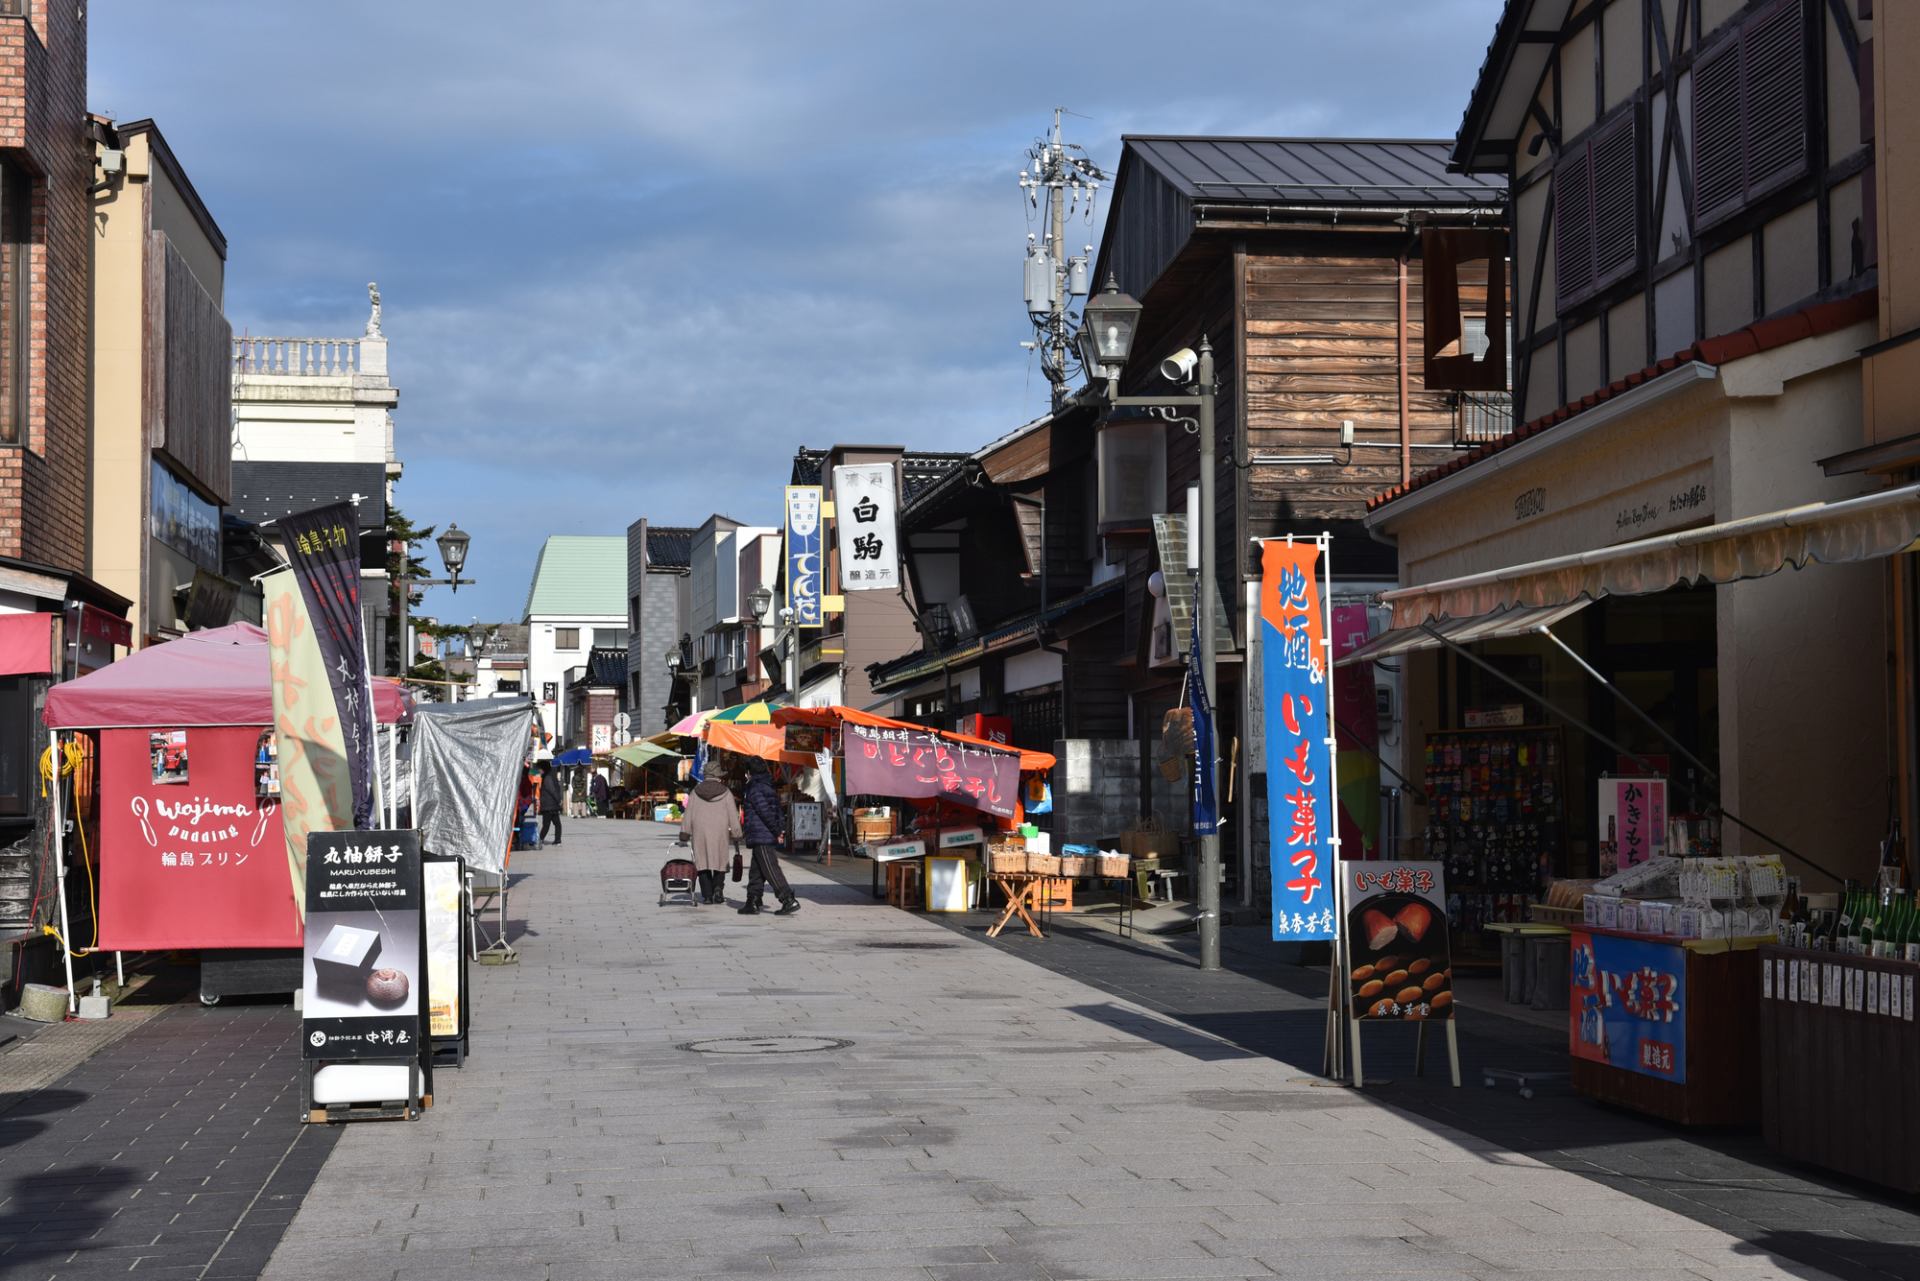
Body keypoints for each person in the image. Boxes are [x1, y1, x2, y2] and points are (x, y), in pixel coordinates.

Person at [738, 758, 798, 916]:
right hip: (763, 834)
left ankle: (787, 899)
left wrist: (777, 830)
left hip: (762, 835)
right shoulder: (767, 786)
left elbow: (765, 813)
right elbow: (777, 811)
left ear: (750, 772)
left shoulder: (755, 788)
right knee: (756, 871)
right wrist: (780, 828)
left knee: (770, 868)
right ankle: (753, 901)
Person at [679, 770, 742, 904]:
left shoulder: (695, 792)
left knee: (702, 863)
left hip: (700, 832)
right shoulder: (726, 792)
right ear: (717, 776)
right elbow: (733, 814)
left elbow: (688, 814)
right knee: (720, 861)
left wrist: (684, 834)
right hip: (720, 832)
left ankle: (707, 895)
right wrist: (737, 833)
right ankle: (718, 889)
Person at [538, 762, 564, 847]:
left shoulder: (547, 778)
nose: (539, 770)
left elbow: (552, 790)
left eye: (540, 769)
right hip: (551, 805)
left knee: (547, 824)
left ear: (544, 769)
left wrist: (558, 800)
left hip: (549, 806)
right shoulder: (548, 776)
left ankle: (540, 839)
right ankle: (557, 840)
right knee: (556, 824)